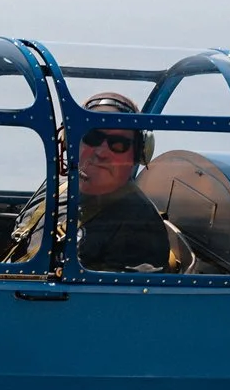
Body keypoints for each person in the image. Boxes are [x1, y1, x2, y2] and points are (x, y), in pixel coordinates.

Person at [9, 91, 171, 271]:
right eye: (93, 137)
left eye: (118, 143)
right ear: (69, 141)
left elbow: (100, 296)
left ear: (139, 153)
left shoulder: (140, 227)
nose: (101, 152)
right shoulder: (58, 184)